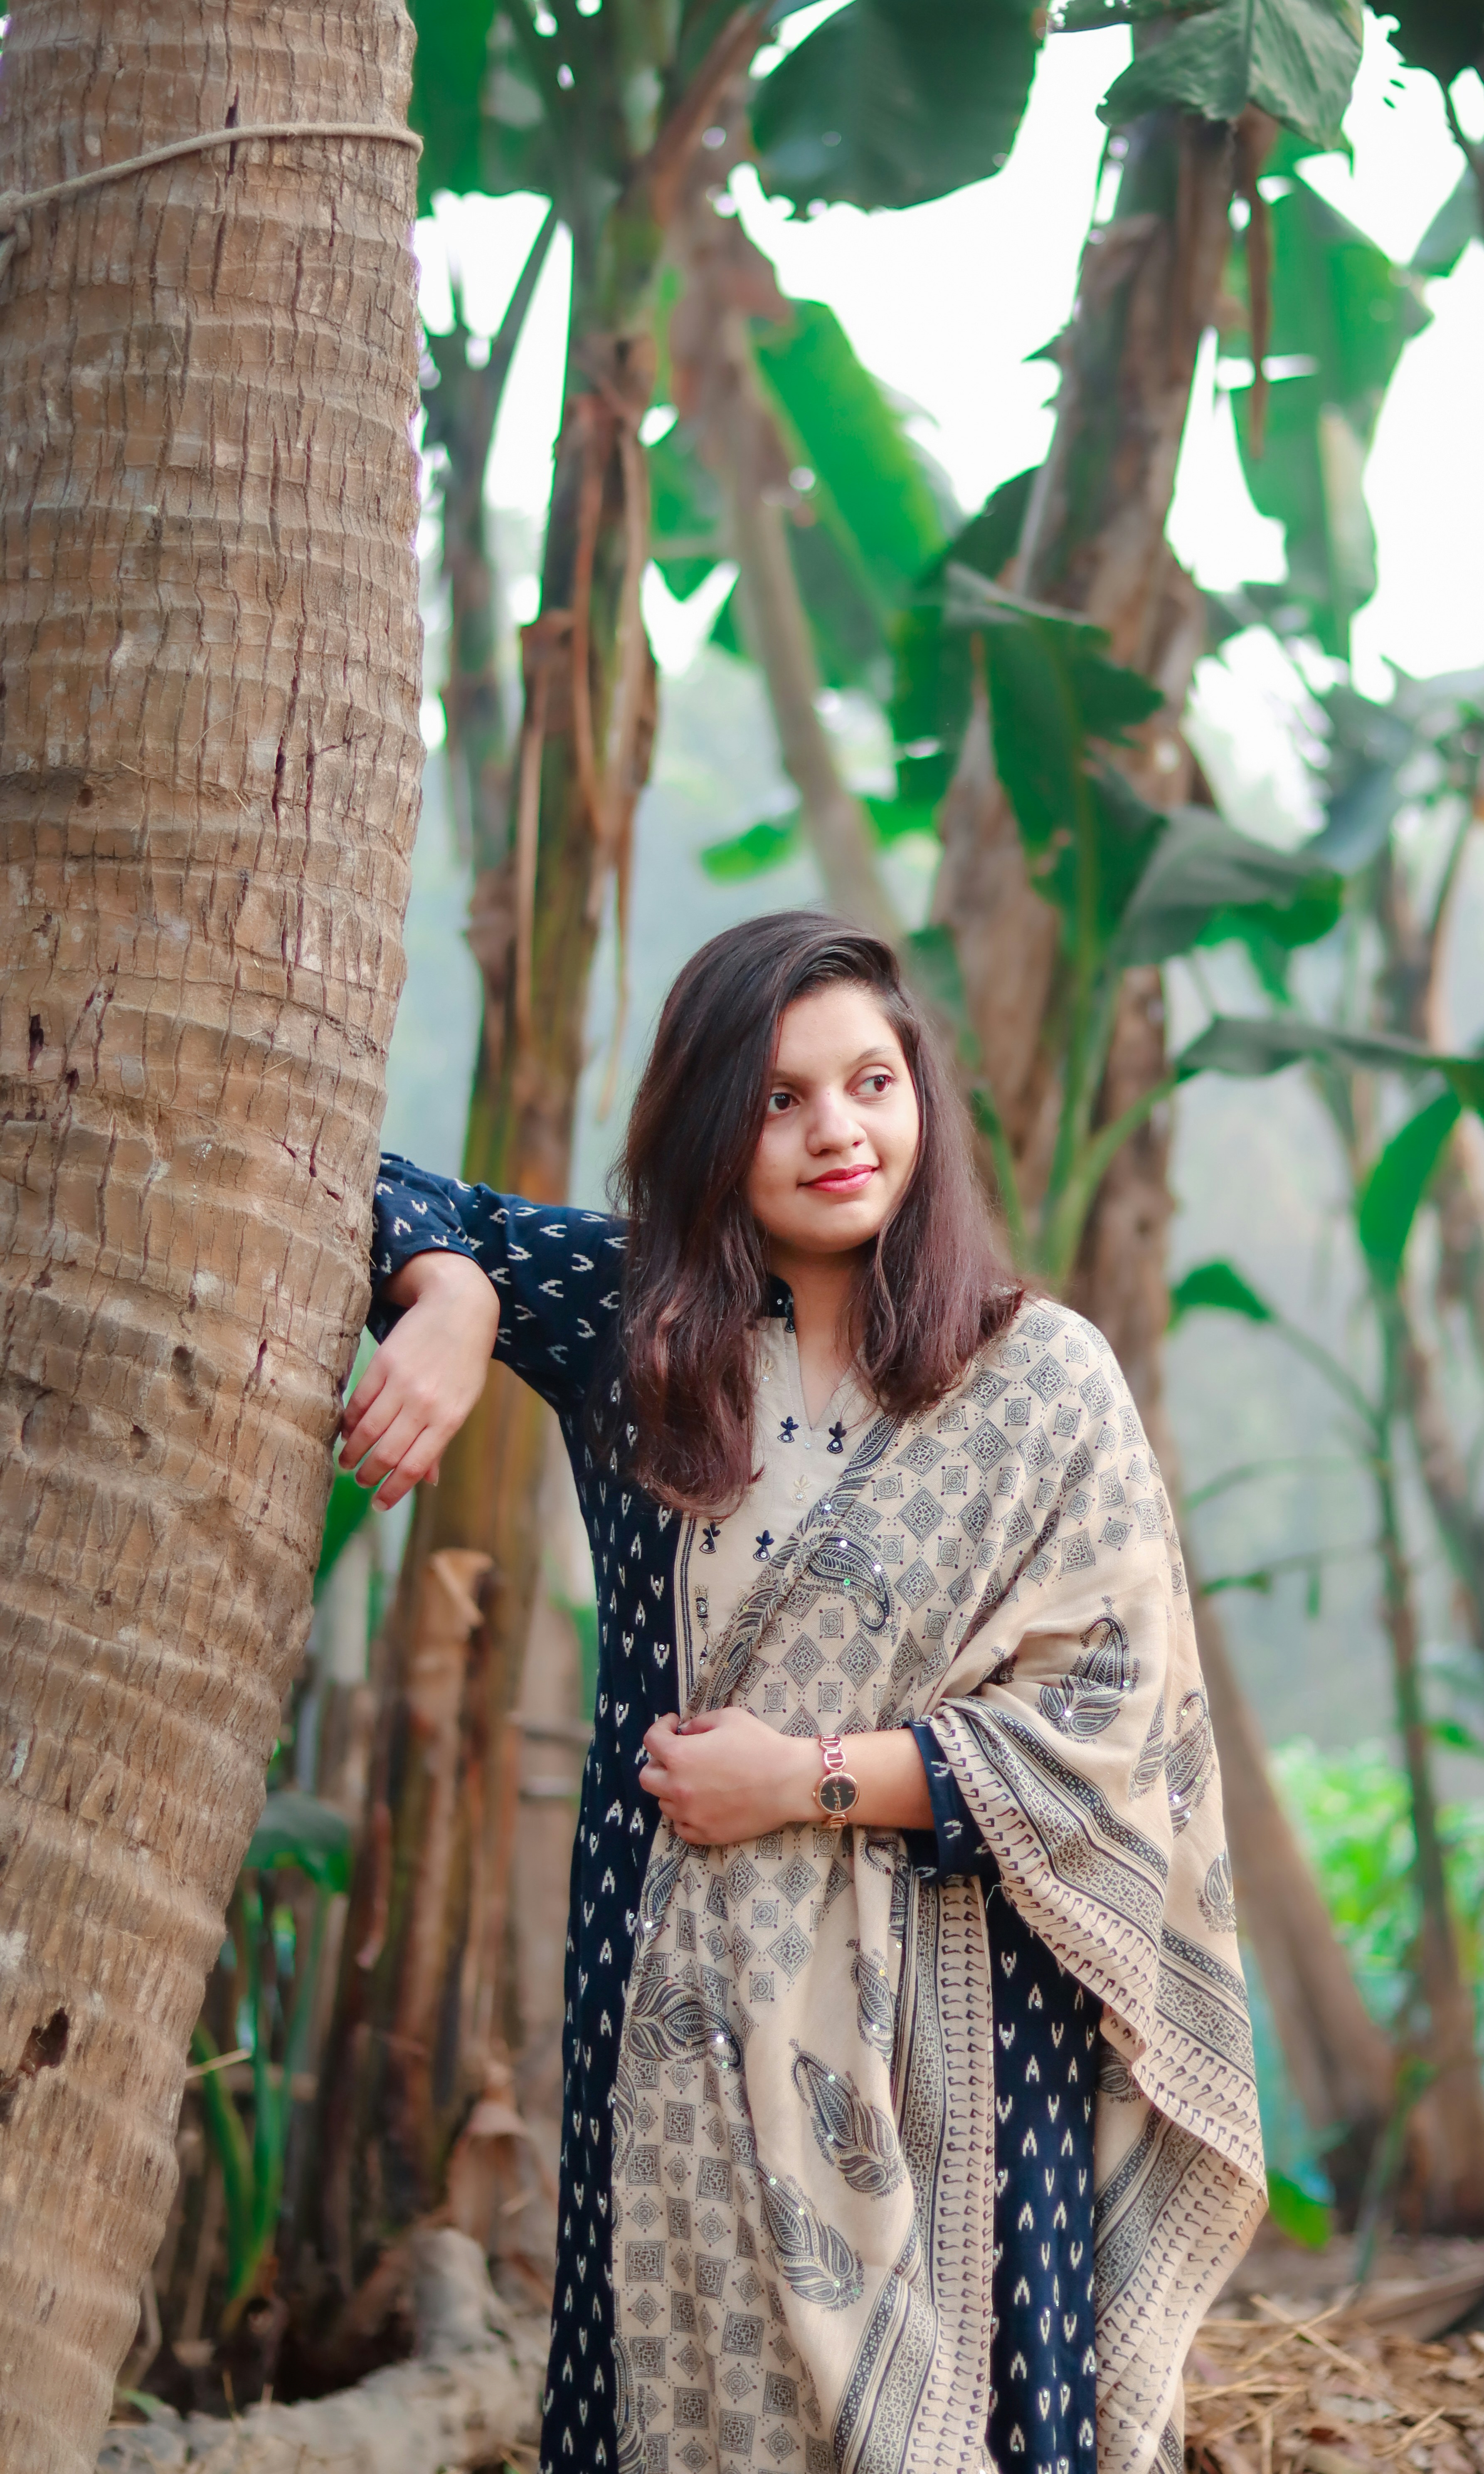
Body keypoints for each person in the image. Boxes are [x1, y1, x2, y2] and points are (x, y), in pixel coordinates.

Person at [344, 910, 1261, 2474]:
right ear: (709, 1123)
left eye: (873, 1082)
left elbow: (1112, 1727)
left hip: (978, 2026)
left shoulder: (1039, 1378)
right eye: (779, 1099)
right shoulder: (639, 1326)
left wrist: (812, 1777)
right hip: (679, 2019)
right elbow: (366, 1183)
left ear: (921, 1097)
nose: (840, 1130)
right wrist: (454, 1297)